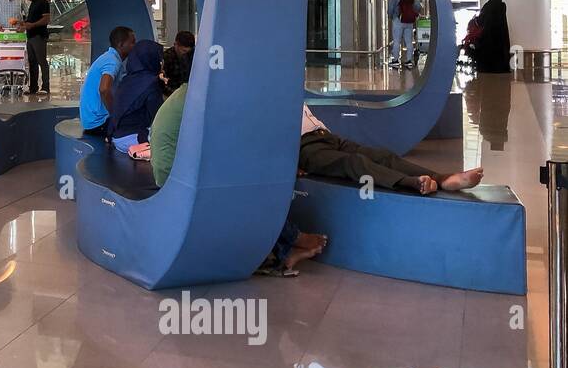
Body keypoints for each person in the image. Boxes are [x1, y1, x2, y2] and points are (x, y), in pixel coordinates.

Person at [146, 77, 328, 275]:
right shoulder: (202, 100)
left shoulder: (188, 94)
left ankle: (282, 252)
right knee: (247, 192)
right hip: (178, 177)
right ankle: (293, 241)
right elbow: (232, 144)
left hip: (173, 173)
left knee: (244, 185)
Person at [299, 104, 482, 194]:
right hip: (303, 148)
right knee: (353, 163)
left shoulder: (290, 87)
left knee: (382, 155)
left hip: (326, 136)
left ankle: (443, 179)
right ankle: (410, 182)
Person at [79, 26, 136, 137]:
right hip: (98, 123)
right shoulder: (112, 61)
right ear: (121, 44)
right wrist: (115, 114)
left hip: (91, 120)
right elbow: (104, 89)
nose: (135, 46)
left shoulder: (108, 57)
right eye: (132, 42)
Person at [108, 39, 164, 152]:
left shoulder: (127, 80)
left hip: (116, 137)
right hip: (135, 138)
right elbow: (159, 117)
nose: (160, 63)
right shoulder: (151, 83)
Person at [20, 0, 51, 96]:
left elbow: (46, 19)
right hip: (30, 36)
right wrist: (22, 24)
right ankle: (33, 87)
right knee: (32, 62)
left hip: (39, 36)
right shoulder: (32, 4)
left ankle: (45, 87)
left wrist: (32, 25)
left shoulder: (43, 2)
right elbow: (31, 20)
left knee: (41, 61)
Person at [472, 0, 512, 74]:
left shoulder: (487, 6)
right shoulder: (502, 6)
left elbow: (480, 20)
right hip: (500, 37)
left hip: (487, 38)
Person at [388, 0, 418, 70]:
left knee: (397, 41)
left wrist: (391, 17)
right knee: (409, 42)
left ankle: (395, 61)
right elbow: (418, 7)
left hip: (398, 21)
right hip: (409, 22)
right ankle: (409, 60)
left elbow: (390, 9)